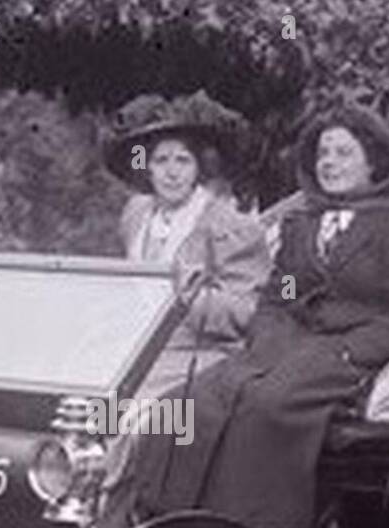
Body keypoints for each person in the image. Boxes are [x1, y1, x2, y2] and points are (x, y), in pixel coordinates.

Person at [130, 104, 389, 528]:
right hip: (283, 346)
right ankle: (163, 521)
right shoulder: (302, 225)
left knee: (266, 405)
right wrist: (268, 337)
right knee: (187, 401)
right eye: (323, 154)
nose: (330, 163)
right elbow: (282, 295)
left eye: (343, 153)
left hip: (348, 354)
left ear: (372, 161)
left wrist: (353, 349)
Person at [106, 92, 271, 394]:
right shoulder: (136, 214)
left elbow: (248, 313)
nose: (172, 172)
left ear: (200, 167)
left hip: (200, 353)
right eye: (161, 160)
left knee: (131, 405)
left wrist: (191, 297)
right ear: (146, 167)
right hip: (133, 345)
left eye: (183, 160)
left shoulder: (231, 225)